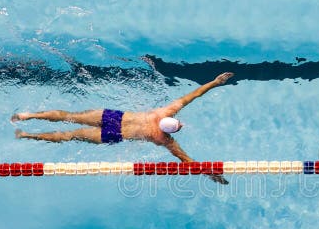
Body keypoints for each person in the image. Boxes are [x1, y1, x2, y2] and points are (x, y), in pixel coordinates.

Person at [12, 72, 233, 184]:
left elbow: (192, 95)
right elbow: (188, 162)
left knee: (69, 117)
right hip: (113, 134)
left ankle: (28, 115)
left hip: (112, 116)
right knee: (69, 136)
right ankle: (27, 135)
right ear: (170, 131)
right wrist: (211, 175)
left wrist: (214, 82)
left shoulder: (163, 113)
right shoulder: (163, 139)